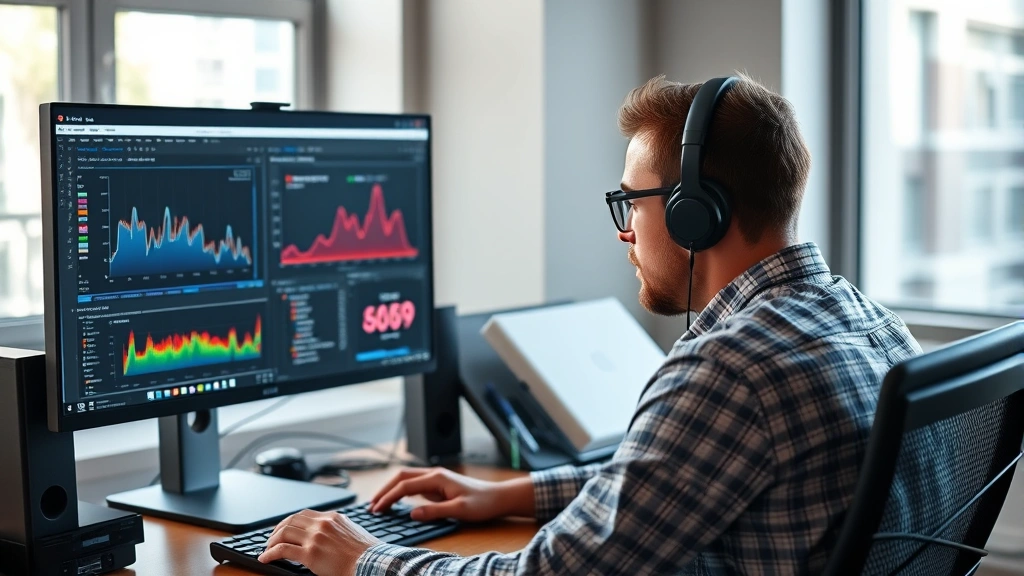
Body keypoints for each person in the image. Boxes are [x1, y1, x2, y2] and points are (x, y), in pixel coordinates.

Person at [257, 74, 922, 575]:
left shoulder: (731, 369)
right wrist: (511, 494)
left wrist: (364, 559)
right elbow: (680, 479)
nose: (625, 231)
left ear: (698, 213)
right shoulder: (869, 324)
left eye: (632, 202)